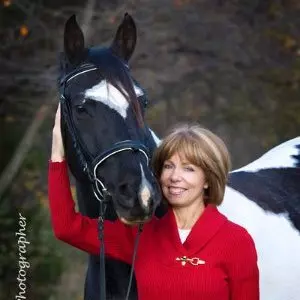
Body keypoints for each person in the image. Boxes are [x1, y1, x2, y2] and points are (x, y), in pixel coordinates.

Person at [48, 105, 259, 300]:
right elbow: (67, 228)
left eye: (189, 168)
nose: (175, 177)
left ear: (208, 180)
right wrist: (58, 156)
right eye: (168, 166)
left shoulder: (237, 242)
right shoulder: (141, 235)